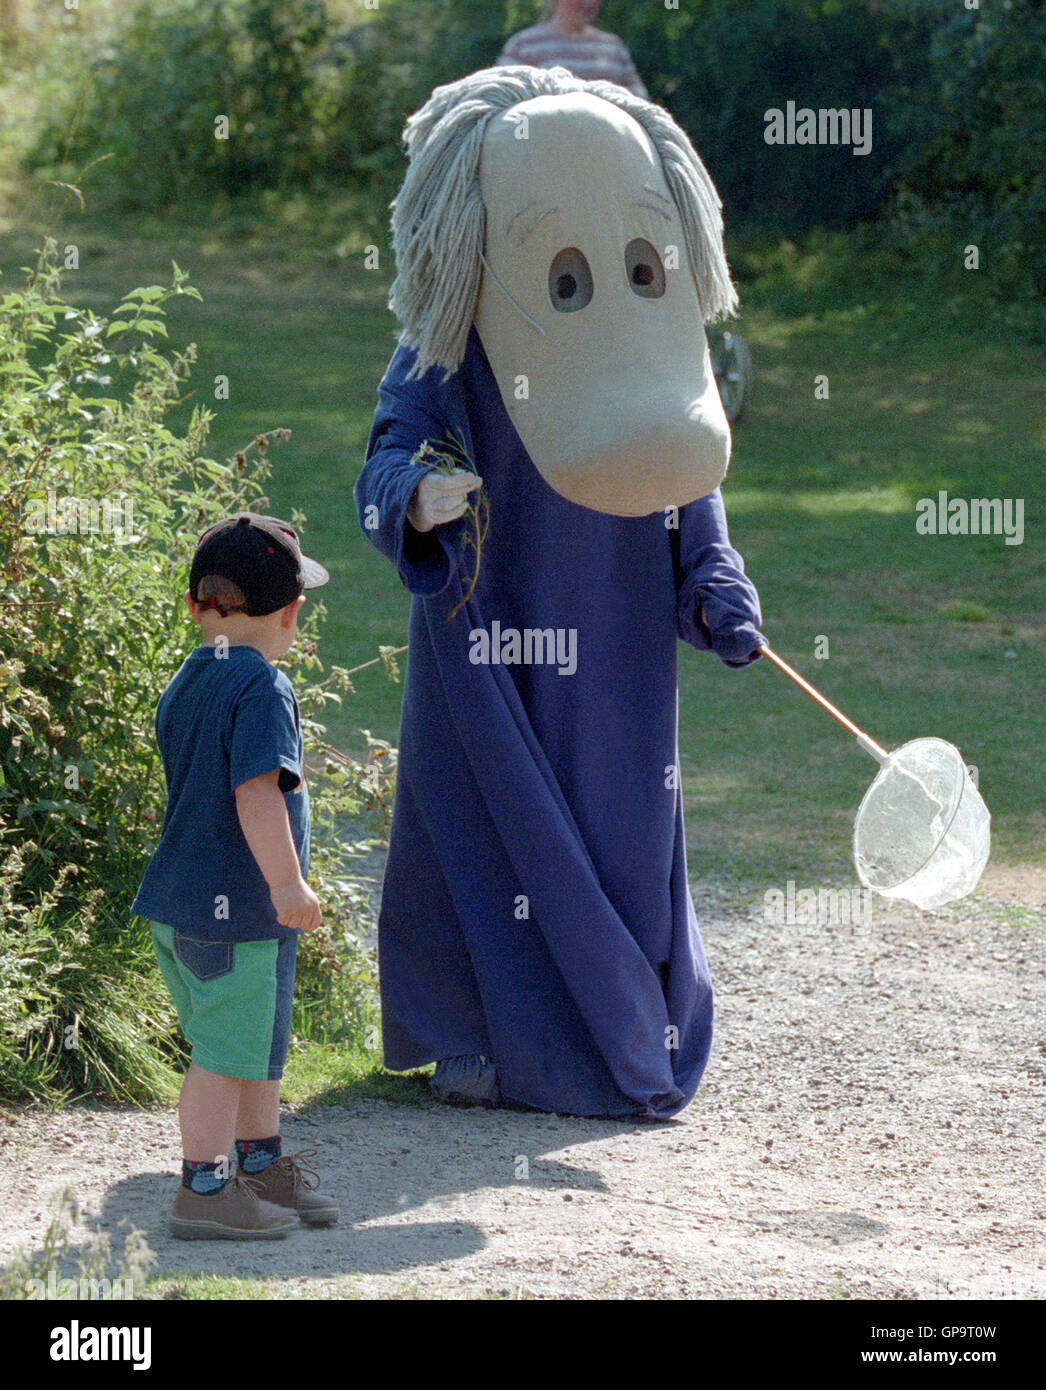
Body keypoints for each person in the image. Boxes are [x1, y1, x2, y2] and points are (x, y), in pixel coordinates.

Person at [355, 66, 763, 1120]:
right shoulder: (450, 340)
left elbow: (681, 477)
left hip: (615, 631)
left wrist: (713, 581)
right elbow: (382, 462)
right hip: (487, 629)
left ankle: (627, 1025)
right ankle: (467, 1035)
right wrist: (418, 497)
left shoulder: (646, 340)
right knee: (476, 828)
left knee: (621, 825)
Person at [132, 513, 340, 1238]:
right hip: (239, 912)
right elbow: (256, 791)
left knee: (257, 1043)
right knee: (224, 1054)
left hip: (203, 906)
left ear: (195, 605)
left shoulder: (191, 678)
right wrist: (288, 884)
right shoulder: (262, 688)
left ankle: (260, 1162)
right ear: (291, 611)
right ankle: (203, 1189)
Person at [496, 0, 649, 98]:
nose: (590, 2)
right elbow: (499, 97)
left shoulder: (613, 47)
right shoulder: (523, 45)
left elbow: (640, 101)